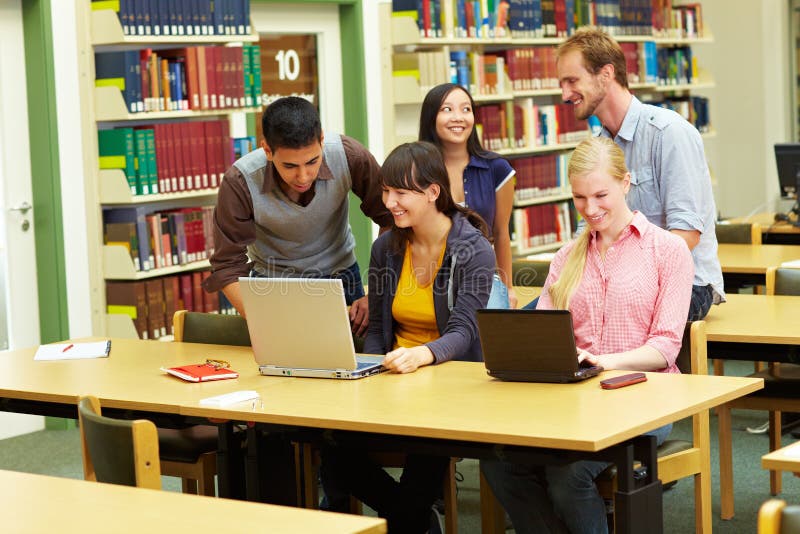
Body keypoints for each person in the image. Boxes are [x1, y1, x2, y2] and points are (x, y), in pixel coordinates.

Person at [480, 137, 694, 534]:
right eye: (579, 198)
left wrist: (603, 362)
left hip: (645, 399)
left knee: (569, 473)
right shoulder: (566, 256)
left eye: (600, 195)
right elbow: (542, 330)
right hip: (573, 400)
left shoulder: (668, 251)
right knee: (499, 463)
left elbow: (665, 347)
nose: (590, 209)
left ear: (625, 183)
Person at [320, 141, 495, 533]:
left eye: (400, 192)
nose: (389, 202)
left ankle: (410, 518)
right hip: (395, 380)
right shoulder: (386, 248)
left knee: (424, 448)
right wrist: (371, 377)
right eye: (386, 191)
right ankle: (418, 520)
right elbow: (378, 330)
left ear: (433, 192)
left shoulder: (473, 250)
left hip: (451, 385)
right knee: (333, 446)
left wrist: (421, 355)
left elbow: (464, 332)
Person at [556, 26, 724, 320]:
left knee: (598, 321)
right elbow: (590, 233)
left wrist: (621, 275)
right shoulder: (599, 147)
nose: (565, 94)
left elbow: (685, 235)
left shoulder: (669, 133)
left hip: (686, 285)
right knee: (534, 322)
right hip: (614, 283)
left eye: (572, 81)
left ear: (606, 74)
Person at [202, 96, 392, 335]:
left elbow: (391, 219)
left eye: (312, 161)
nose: (303, 176)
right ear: (267, 150)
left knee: (357, 356)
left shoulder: (350, 156)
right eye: (290, 166)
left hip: (342, 279)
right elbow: (227, 264)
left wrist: (375, 294)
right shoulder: (240, 182)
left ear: (322, 140)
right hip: (273, 287)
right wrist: (260, 320)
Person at [419, 82, 518, 308]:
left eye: (466, 109)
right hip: (431, 274)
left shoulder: (497, 168)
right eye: (447, 109)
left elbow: (501, 232)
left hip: (483, 275)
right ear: (431, 117)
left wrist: (508, 287)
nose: (458, 117)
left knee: (490, 323)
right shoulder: (417, 170)